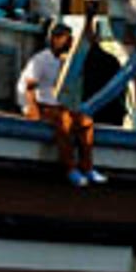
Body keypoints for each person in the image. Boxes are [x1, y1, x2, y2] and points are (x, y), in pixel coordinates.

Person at [17, 23, 103, 187]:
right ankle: (70, 169)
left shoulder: (63, 62)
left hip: (54, 106)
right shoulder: (41, 60)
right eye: (67, 39)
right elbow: (29, 87)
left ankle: (87, 167)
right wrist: (33, 111)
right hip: (38, 105)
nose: (70, 43)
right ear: (55, 39)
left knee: (86, 122)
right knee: (65, 122)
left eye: (71, 39)